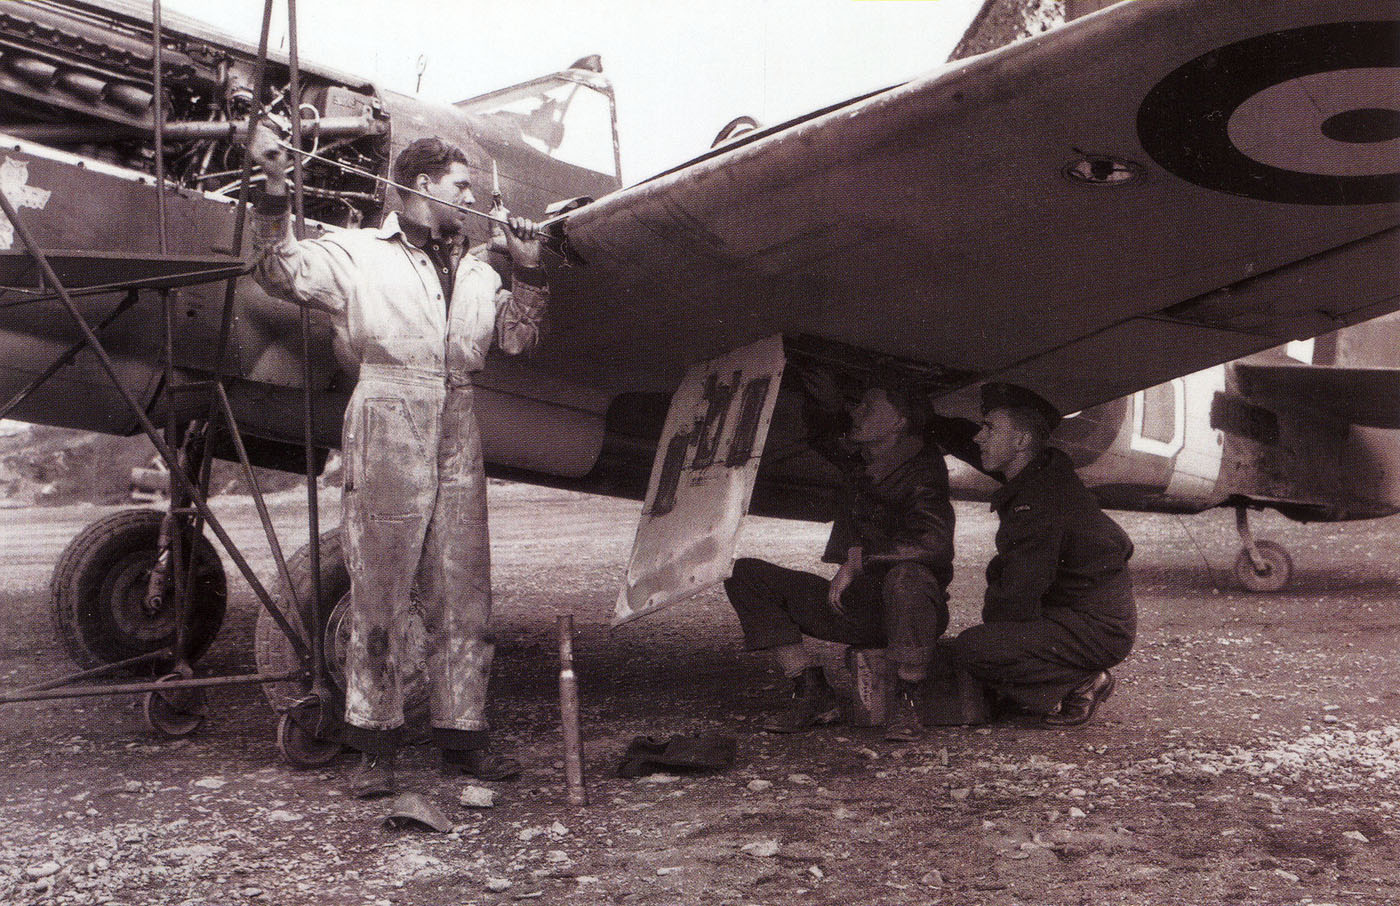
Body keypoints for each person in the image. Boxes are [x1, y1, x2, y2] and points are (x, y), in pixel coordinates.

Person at [247, 124, 548, 796]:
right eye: (460, 185)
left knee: (464, 591)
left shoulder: (477, 268)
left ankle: (463, 741)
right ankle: (375, 746)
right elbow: (277, 271)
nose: (470, 196)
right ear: (421, 185)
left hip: (458, 414)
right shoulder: (357, 252)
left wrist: (527, 269)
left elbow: (519, 340)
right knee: (379, 587)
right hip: (387, 406)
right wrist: (273, 188)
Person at [724, 374, 955, 741]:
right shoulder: (868, 458)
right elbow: (825, 439)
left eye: (868, 406)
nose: (856, 413)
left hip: (911, 612)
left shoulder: (923, 470)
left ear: (899, 421)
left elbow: (935, 544)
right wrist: (826, 405)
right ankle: (811, 689)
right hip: (858, 607)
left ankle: (909, 702)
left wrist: (858, 561)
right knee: (745, 574)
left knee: (907, 576)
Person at [936, 383, 1135, 727]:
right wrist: (931, 423)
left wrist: (999, 651)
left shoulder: (1039, 503)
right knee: (993, 643)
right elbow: (977, 448)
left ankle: (1082, 683)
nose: (979, 437)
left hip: (1095, 630)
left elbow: (1018, 593)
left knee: (974, 648)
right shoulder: (1041, 471)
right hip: (1083, 617)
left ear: (1021, 442)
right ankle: (1046, 682)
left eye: (990, 428)